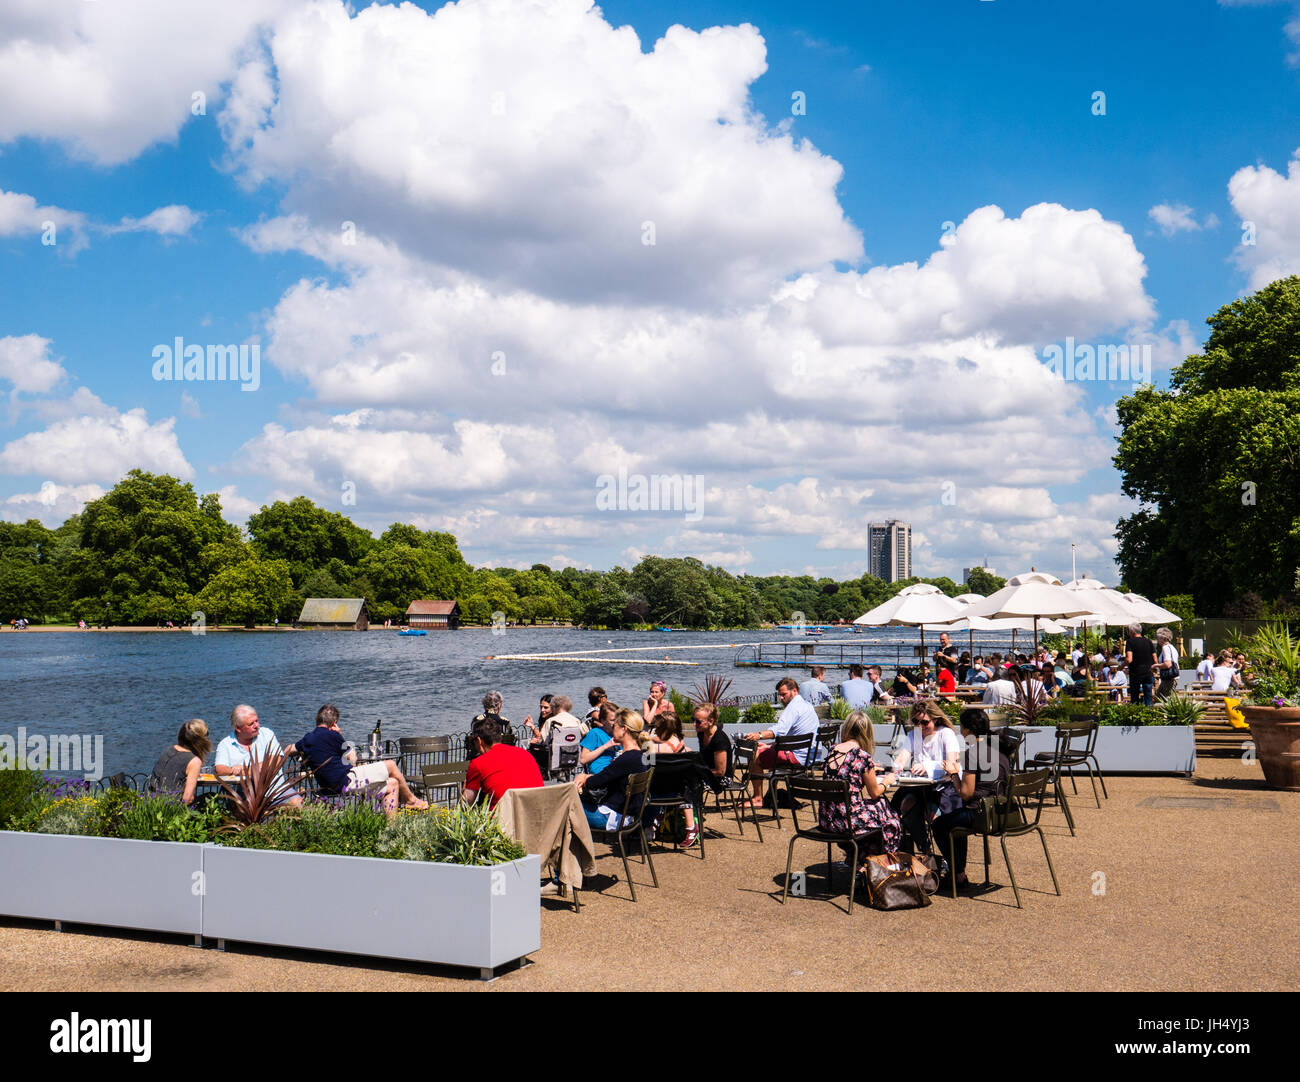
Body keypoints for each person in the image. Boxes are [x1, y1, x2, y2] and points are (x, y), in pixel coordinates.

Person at [931, 709, 1011, 895]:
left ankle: (958, 874)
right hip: (1003, 812)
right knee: (955, 822)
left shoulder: (973, 754)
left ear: (966, 729)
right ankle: (958, 873)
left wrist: (952, 774)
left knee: (940, 825)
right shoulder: (1002, 747)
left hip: (981, 814)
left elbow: (965, 794)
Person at [297, 704, 427, 816]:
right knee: (391, 765)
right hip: (344, 782)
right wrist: (339, 736)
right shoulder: (333, 735)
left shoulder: (307, 739)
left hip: (326, 787)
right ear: (334, 722)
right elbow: (352, 758)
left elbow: (290, 749)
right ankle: (411, 800)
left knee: (392, 784)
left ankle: (391, 831)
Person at [818, 710, 902, 855]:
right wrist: (887, 781)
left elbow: (844, 773)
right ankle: (877, 861)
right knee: (890, 817)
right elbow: (874, 793)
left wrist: (868, 770)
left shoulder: (833, 750)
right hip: (846, 822)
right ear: (867, 732)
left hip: (828, 818)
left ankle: (860, 859)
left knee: (880, 809)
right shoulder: (862, 756)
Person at [892, 700, 964, 853]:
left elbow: (951, 765)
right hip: (922, 787)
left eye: (924, 722)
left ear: (935, 719)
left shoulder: (946, 734)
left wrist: (927, 766)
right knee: (905, 806)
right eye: (916, 722)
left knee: (933, 815)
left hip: (945, 786)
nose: (920, 726)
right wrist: (896, 767)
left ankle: (947, 857)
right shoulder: (914, 735)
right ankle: (926, 851)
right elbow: (902, 757)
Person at [741, 676, 820, 808]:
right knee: (765, 750)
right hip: (808, 756)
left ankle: (758, 798)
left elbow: (780, 730)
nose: (781, 698)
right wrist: (770, 746)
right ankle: (771, 794)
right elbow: (791, 736)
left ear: (794, 691)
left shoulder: (793, 707)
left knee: (754, 754)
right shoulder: (807, 706)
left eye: (784, 695)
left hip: (797, 756)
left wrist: (758, 735)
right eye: (780, 695)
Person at [573, 709, 653, 831]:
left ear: (624, 729)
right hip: (630, 815)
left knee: (565, 803)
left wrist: (583, 777)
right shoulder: (643, 755)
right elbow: (607, 777)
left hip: (610, 817)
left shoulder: (626, 758)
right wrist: (586, 777)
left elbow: (593, 784)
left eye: (614, 725)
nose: (612, 727)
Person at [214, 704, 302, 806]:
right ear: (238, 728)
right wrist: (234, 770)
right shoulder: (225, 744)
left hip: (275, 790)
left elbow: (275, 762)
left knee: (298, 804)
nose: (256, 726)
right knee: (240, 812)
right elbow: (220, 769)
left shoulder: (267, 734)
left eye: (257, 721)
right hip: (243, 796)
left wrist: (243, 769)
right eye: (251, 724)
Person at [461, 714, 544, 808]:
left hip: (502, 819)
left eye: (473, 741)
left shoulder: (478, 763)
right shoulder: (525, 754)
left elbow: (467, 802)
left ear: (479, 741)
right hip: (535, 813)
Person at [148, 719, 210, 804]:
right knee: (211, 797)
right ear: (201, 741)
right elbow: (187, 798)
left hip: (151, 803)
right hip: (172, 808)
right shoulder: (194, 761)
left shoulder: (169, 750)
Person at [693, 703, 733, 781]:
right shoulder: (701, 733)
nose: (694, 724)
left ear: (710, 721)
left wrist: (698, 772)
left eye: (698, 721)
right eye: (693, 720)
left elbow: (720, 772)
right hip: (707, 774)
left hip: (722, 779)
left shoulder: (719, 739)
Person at [579, 700, 621, 775]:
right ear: (603, 721)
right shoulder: (595, 733)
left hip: (616, 768)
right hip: (600, 772)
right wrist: (605, 746)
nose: (616, 723)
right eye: (612, 720)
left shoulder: (619, 733)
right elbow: (583, 759)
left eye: (618, 720)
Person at [1125, 622, 1157, 707]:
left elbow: (1129, 659)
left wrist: (1121, 666)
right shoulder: (1148, 641)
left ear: (1132, 631)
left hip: (1135, 673)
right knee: (1148, 697)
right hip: (1148, 672)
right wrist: (1154, 667)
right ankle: (1149, 717)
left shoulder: (1130, 642)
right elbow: (1155, 658)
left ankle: (1136, 716)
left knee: (1135, 698)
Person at [1155, 628, 1179, 700]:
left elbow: (1168, 664)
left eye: (1157, 637)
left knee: (1162, 700)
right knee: (1161, 697)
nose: (1157, 639)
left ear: (1162, 638)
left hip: (1169, 679)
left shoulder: (1165, 648)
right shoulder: (1172, 647)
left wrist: (1155, 665)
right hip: (1173, 677)